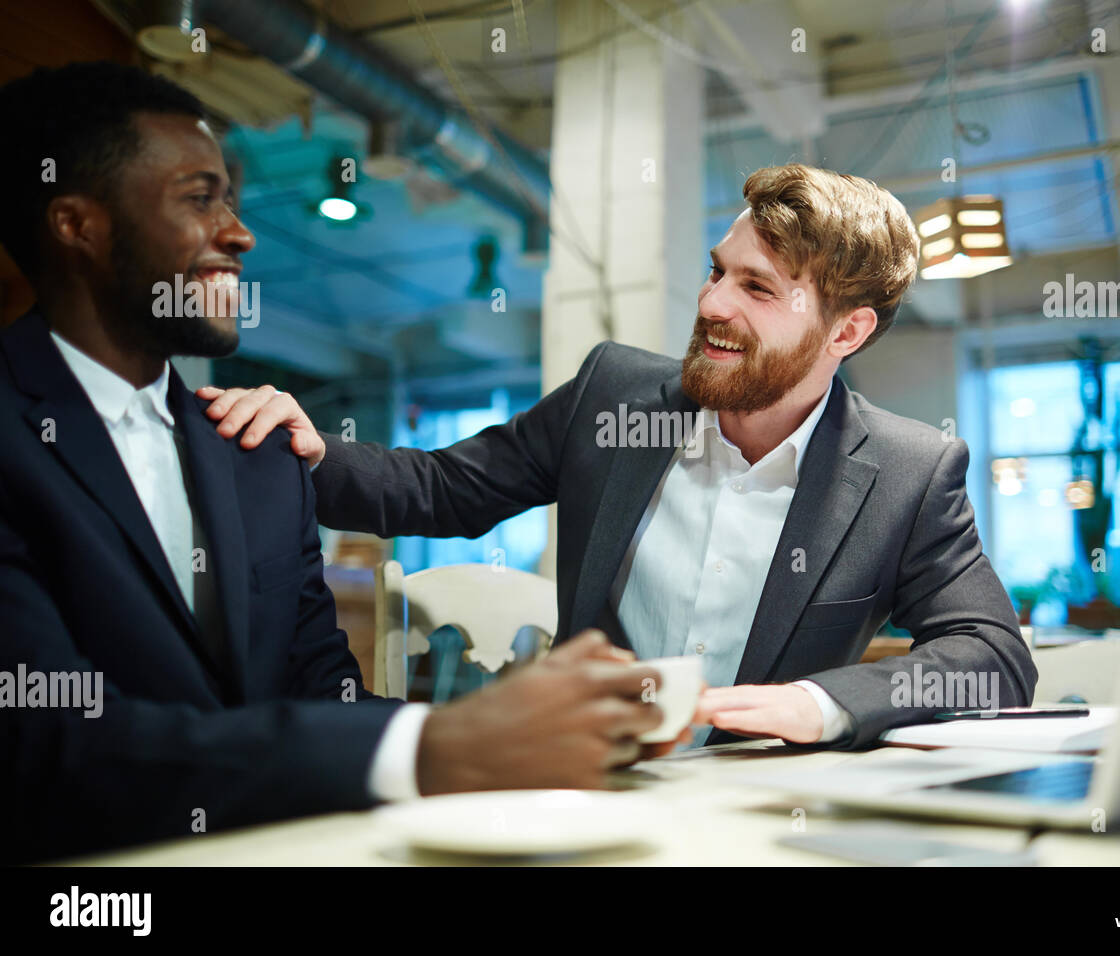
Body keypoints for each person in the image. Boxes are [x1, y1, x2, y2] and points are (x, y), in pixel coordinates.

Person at [0, 61, 672, 864]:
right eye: (199, 196)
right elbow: (45, 749)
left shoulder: (253, 450)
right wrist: (434, 746)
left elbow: (328, 690)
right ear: (78, 225)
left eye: (232, 199)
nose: (240, 231)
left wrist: (519, 744)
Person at [205, 163, 1038, 750]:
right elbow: (443, 490)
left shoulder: (908, 472)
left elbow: (992, 655)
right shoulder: (614, 397)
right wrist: (309, 452)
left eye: (756, 288)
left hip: (761, 806)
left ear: (846, 331)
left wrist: (814, 704)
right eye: (718, 272)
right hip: (585, 785)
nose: (711, 304)